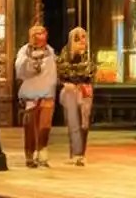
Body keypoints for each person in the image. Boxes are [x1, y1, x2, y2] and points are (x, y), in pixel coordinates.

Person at [15, 25, 58, 168]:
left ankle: (42, 152)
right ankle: (29, 154)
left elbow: (54, 72)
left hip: (47, 94)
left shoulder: (50, 52)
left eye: (42, 33)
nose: (40, 36)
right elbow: (20, 71)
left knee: (44, 126)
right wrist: (32, 63)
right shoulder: (25, 51)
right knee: (30, 126)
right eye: (36, 33)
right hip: (31, 95)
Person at [57, 27, 95, 166]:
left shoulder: (88, 54)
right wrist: (72, 76)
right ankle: (75, 152)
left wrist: (75, 72)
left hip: (85, 90)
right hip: (70, 91)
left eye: (84, 37)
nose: (81, 41)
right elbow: (62, 70)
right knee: (73, 122)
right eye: (77, 38)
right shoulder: (65, 54)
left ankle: (81, 153)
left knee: (84, 123)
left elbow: (89, 71)